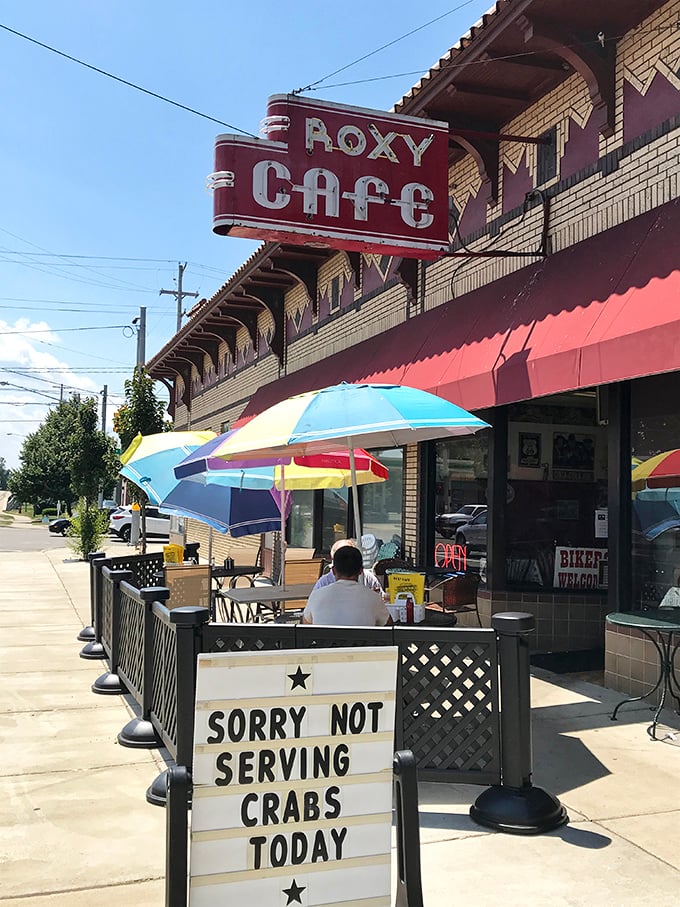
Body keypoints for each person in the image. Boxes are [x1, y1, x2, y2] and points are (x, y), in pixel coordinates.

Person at [303, 544, 391, 626]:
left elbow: (305, 624)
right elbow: (389, 625)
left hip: (326, 642)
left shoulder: (317, 595)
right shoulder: (373, 598)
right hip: (363, 642)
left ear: (333, 570)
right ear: (361, 571)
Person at [312, 538, 383, 594]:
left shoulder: (368, 578)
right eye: (341, 558)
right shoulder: (324, 582)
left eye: (350, 556)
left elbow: (382, 597)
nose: (346, 562)